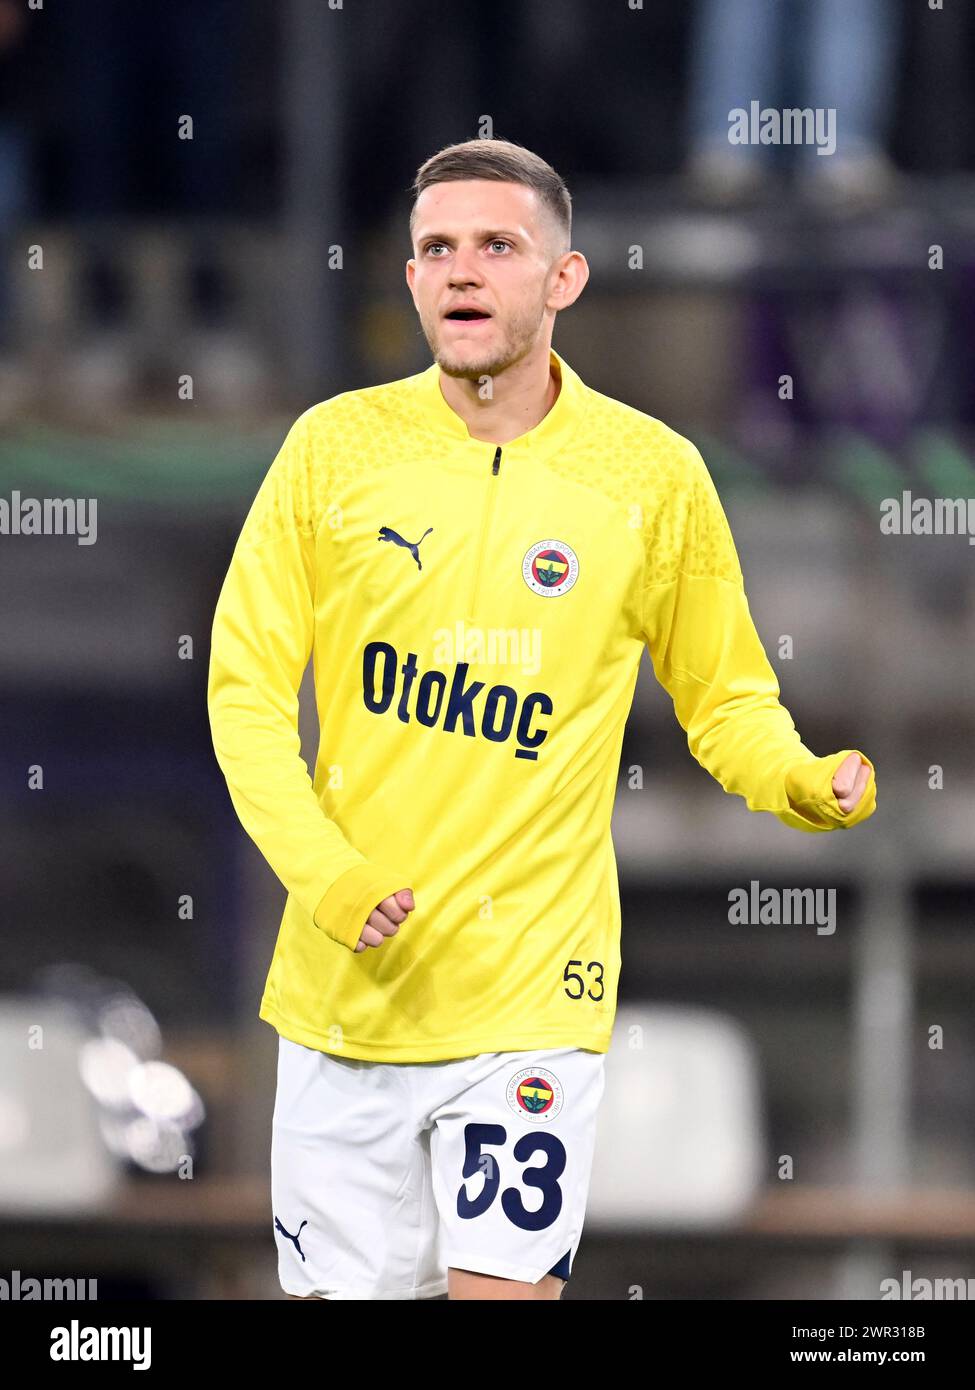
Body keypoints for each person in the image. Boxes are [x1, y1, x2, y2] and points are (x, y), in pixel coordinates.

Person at [206, 137, 877, 1302]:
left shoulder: (652, 475)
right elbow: (246, 695)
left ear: (563, 279)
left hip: (532, 995)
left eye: (498, 246)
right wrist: (326, 874)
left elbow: (724, 697)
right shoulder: (330, 451)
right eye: (436, 250)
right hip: (343, 1004)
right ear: (410, 281)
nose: (462, 271)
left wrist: (800, 781)